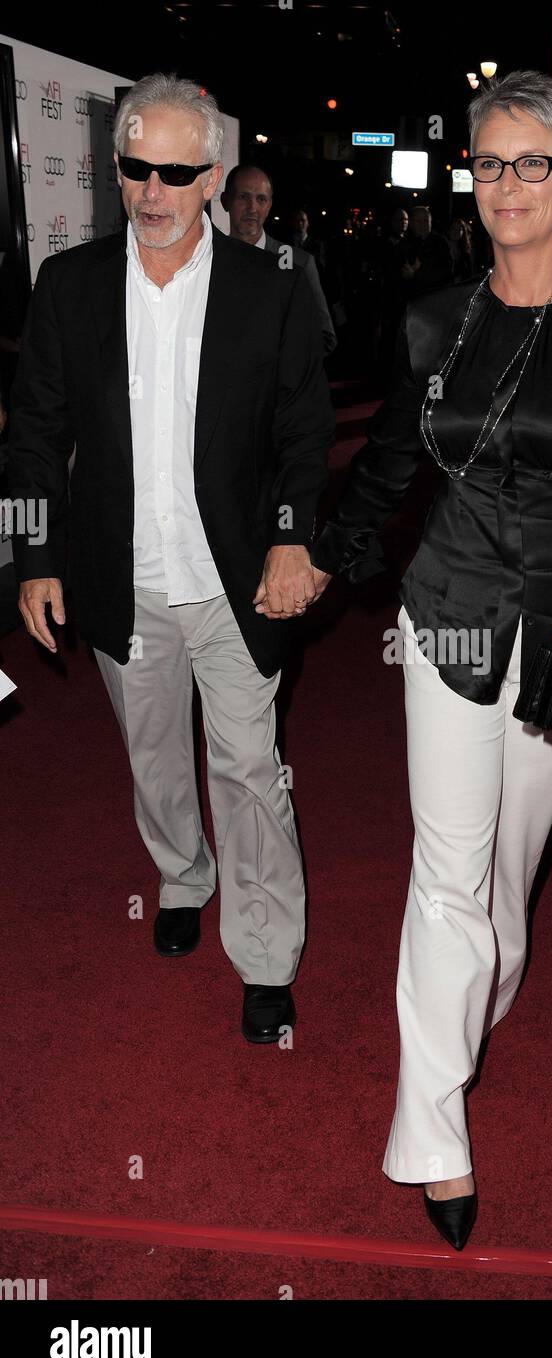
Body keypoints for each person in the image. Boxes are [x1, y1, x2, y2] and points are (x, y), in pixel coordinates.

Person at [307, 69, 552, 1249]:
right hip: (451, 611)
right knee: (448, 870)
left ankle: (485, 991)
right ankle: (432, 1129)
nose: (506, 186)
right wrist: (316, 556)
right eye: (489, 163)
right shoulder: (431, 320)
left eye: (532, 164)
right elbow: (390, 473)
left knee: (511, 873)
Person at [7, 73, 334, 1042]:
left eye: (175, 171)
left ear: (211, 178)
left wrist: (290, 533)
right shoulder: (67, 286)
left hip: (234, 580)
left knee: (248, 767)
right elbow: (32, 433)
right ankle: (183, 875)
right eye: (135, 167)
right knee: (155, 760)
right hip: (124, 578)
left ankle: (266, 951)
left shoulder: (268, 288)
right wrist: (34, 549)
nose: (152, 189)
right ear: (116, 170)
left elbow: (305, 432)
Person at [220, 163, 337, 356]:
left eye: (261, 199)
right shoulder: (206, 261)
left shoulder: (297, 262)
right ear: (225, 201)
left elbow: (326, 338)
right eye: (243, 197)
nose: (252, 208)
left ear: (269, 206)